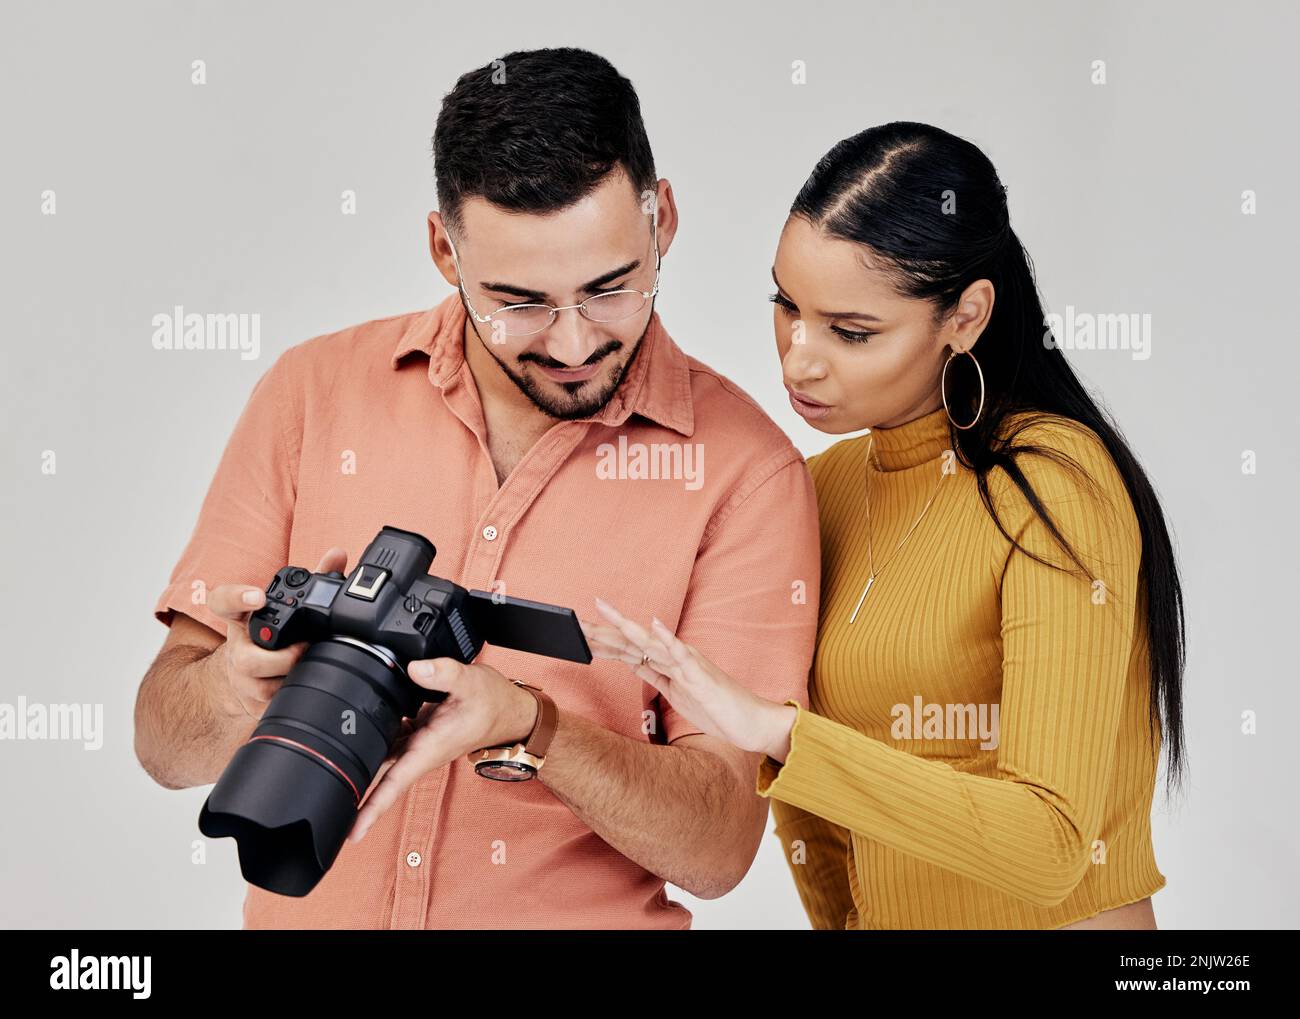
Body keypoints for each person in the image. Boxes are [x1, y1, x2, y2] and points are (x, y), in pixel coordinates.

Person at [133, 47, 821, 929]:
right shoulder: (313, 393)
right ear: (441, 249)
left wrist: (535, 727)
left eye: (610, 288)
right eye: (519, 302)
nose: (573, 345)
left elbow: (722, 846)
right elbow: (163, 744)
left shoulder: (747, 474)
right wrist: (236, 678)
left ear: (664, 220)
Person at [585, 121, 1187, 930]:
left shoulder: (1052, 484)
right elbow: (815, 819)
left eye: (852, 331)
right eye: (786, 306)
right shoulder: (820, 489)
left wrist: (780, 733)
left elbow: (1051, 844)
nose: (799, 357)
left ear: (966, 316)